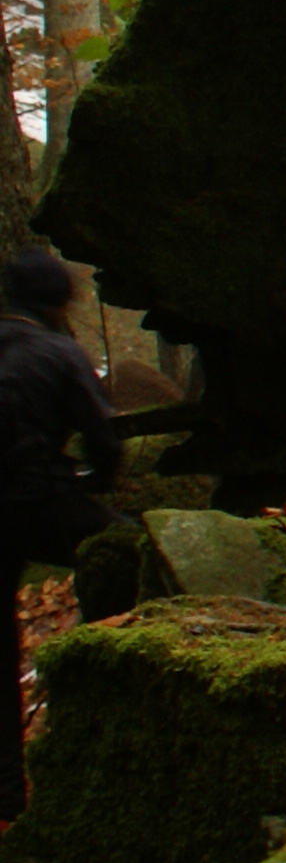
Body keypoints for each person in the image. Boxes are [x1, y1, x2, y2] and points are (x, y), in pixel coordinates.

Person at [0, 247, 120, 825]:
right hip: (47, 503)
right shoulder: (58, 351)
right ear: (58, 300)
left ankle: (6, 797)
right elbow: (108, 445)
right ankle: (103, 711)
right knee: (131, 556)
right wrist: (90, 479)